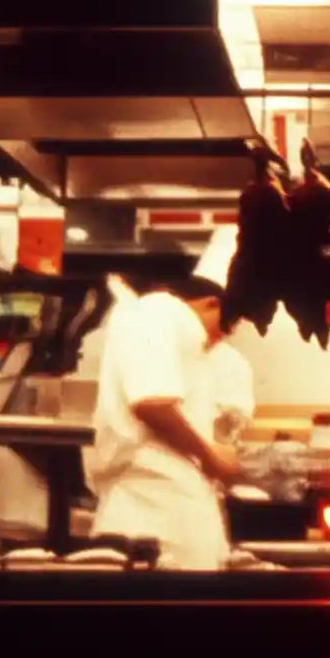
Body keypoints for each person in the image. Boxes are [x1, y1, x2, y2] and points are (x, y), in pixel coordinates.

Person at [85, 227, 243, 570]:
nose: (223, 337)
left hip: (170, 515)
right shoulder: (158, 313)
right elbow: (152, 403)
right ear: (211, 303)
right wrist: (212, 457)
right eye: (227, 326)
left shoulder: (173, 329)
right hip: (151, 519)